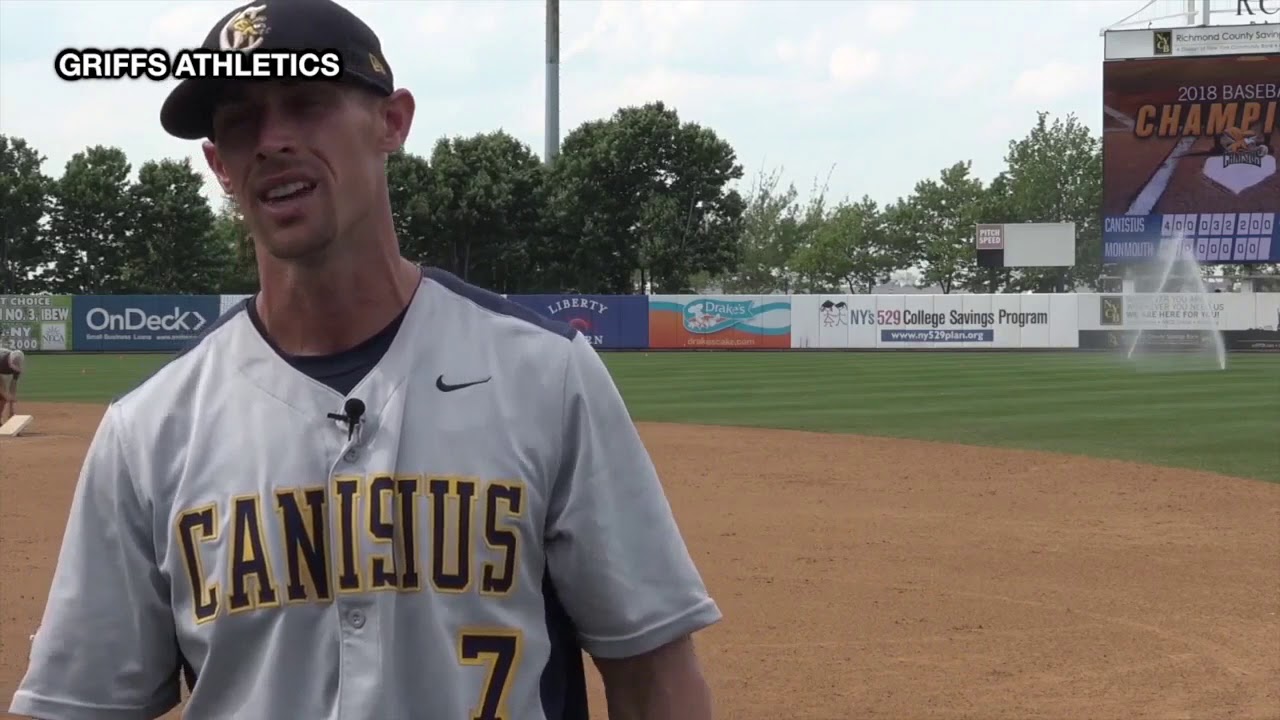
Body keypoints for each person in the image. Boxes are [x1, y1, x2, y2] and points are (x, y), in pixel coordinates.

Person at [9, 1, 721, 718]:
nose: (273, 141)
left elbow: (654, 677)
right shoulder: (150, 431)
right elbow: (77, 704)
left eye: (306, 103)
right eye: (241, 120)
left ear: (393, 121)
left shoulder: (546, 375)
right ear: (219, 164)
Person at [0, 347, 23, 423]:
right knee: (3, 395)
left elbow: (13, 386)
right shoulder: (2, 361)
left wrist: (11, 410)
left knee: (3, 398)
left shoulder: (18, 364)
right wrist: (5, 394)